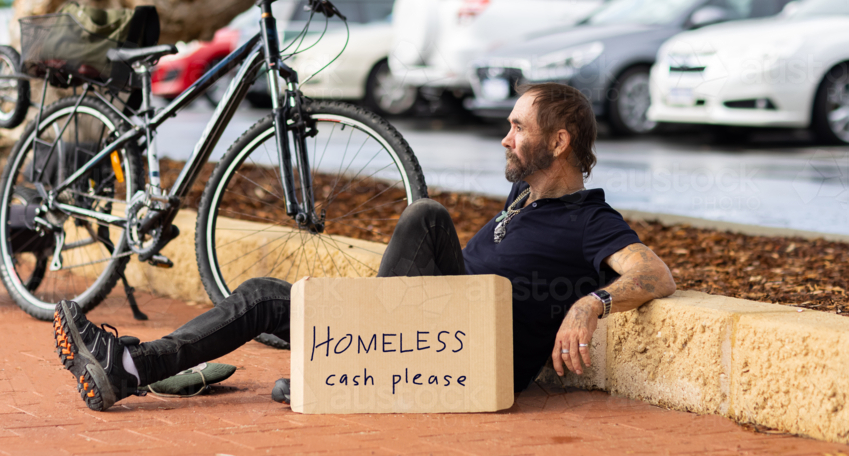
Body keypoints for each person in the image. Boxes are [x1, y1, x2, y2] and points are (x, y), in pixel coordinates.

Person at [54, 83, 676, 411]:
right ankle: (135, 367)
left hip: (472, 357)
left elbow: (654, 273)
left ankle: (353, 370)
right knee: (263, 298)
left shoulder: (588, 218)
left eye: (518, 127)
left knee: (427, 216)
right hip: (432, 335)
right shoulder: (524, 203)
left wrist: (589, 304)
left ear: (560, 142)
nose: (505, 137)